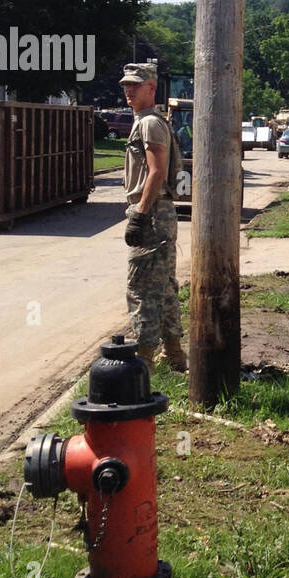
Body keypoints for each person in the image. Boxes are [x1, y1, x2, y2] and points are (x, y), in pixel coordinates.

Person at [120, 62, 186, 374]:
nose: (129, 90)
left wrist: (140, 214)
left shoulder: (149, 123)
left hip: (152, 212)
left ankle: (143, 361)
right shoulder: (149, 121)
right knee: (163, 286)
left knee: (141, 287)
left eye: (136, 84)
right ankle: (174, 355)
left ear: (152, 87)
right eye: (126, 85)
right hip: (159, 212)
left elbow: (157, 171)